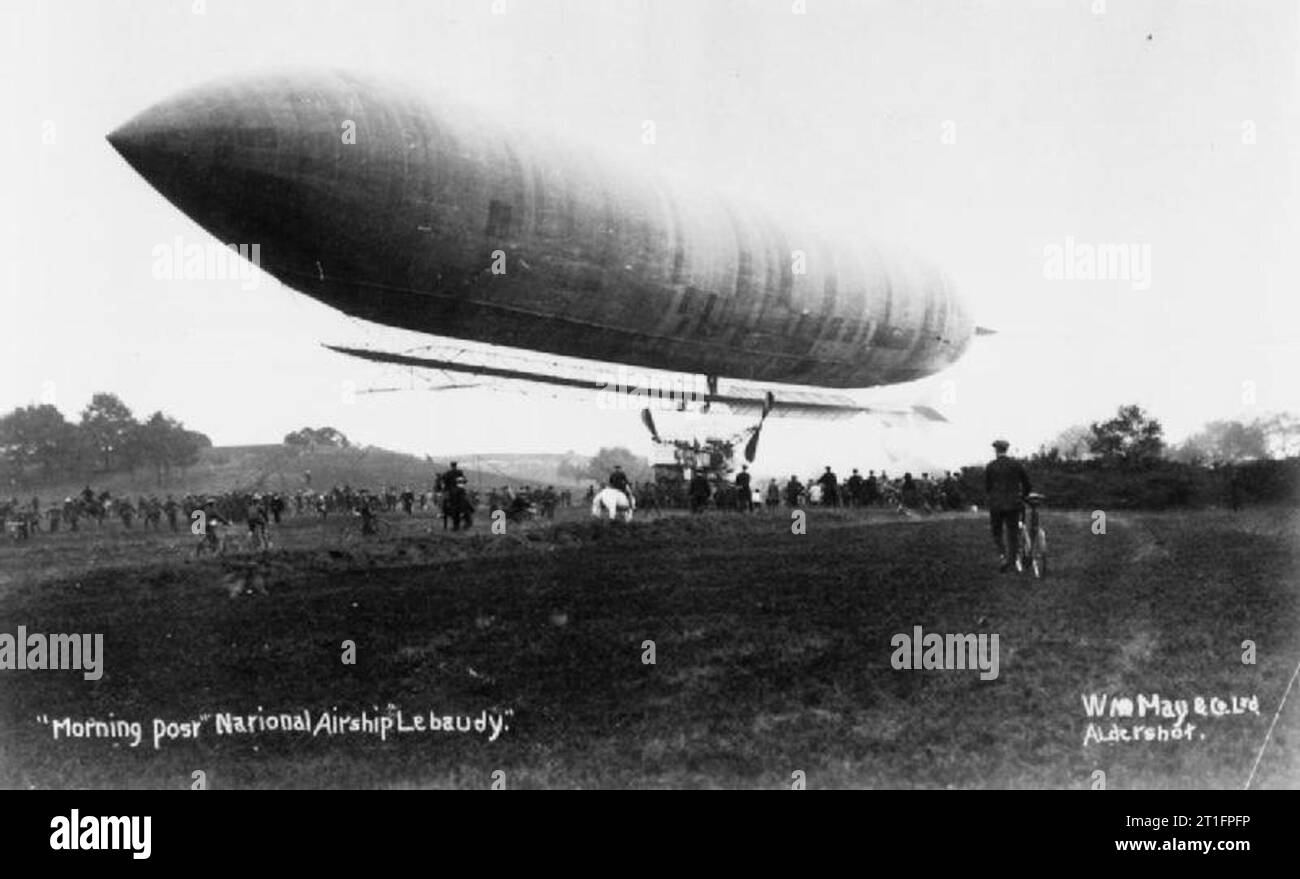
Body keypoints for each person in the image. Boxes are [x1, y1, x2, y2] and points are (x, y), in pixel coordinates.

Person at [984, 439, 1032, 572]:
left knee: (997, 532)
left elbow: (988, 487)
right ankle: (1013, 559)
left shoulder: (990, 466)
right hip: (1013, 504)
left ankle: (1003, 556)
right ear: (1006, 449)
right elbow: (1027, 484)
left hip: (996, 505)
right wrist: (1023, 496)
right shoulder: (1016, 464)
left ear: (996, 450)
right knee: (1013, 532)